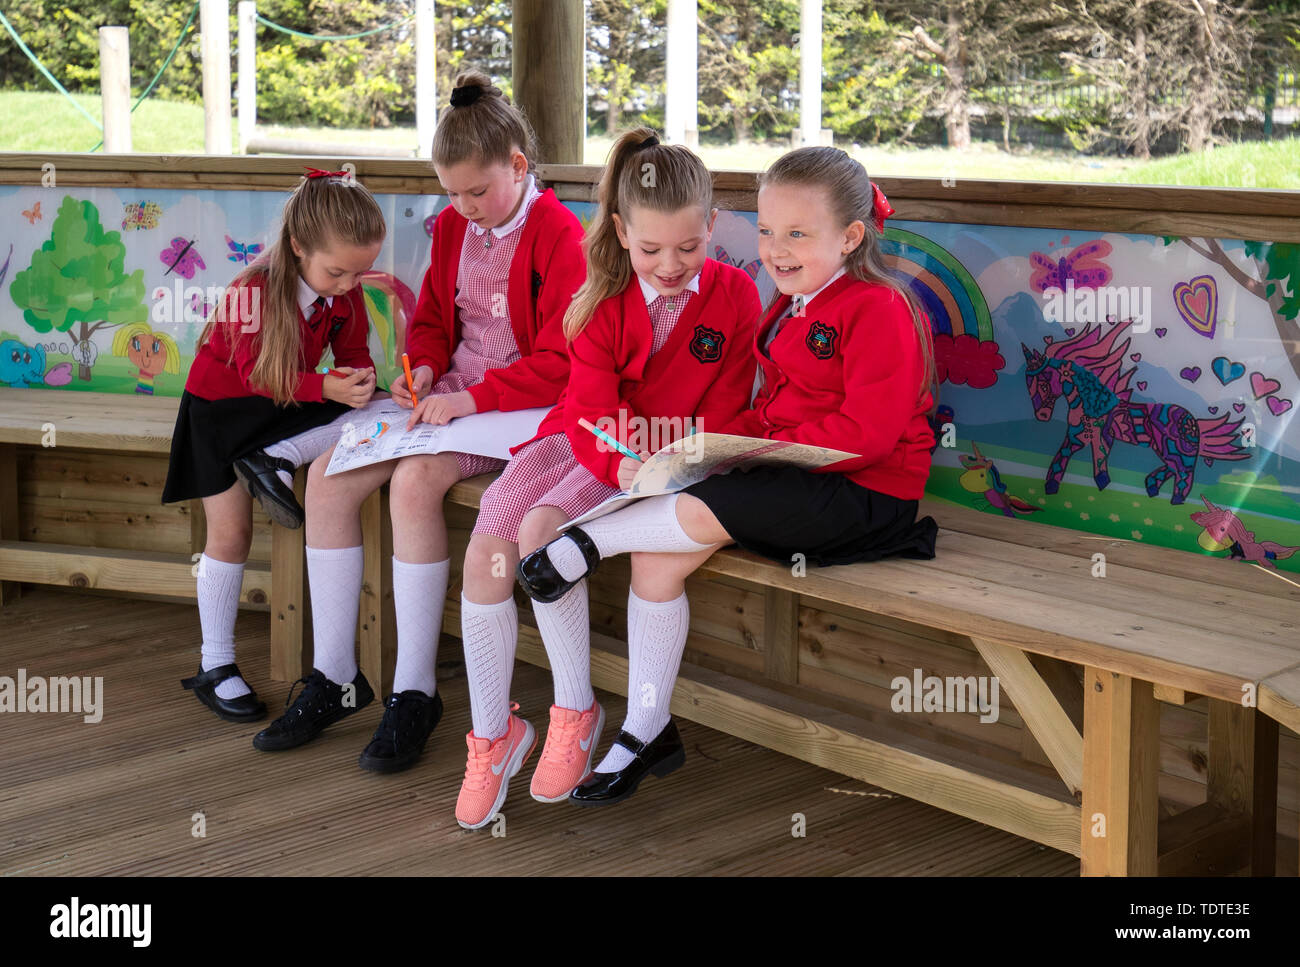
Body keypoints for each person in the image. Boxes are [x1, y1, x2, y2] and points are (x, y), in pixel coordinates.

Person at [517, 146, 939, 806]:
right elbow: (771, 409)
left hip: (869, 492)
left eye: (798, 234)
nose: (777, 248)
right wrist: (716, 442)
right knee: (659, 562)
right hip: (799, 477)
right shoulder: (790, 302)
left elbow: (868, 435)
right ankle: (645, 728)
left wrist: (755, 448)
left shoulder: (876, 307)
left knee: (724, 492)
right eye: (768, 231)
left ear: (850, 237)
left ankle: (585, 542)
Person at [261, 70, 586, 771]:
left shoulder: (560, 233)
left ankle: (414, 690)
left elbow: (564, 358)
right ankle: (336, 675)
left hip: (520, 411)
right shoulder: (451, 230)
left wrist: (470, 399)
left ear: (519, 167)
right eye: (451, 194)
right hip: (453, 399)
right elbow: (435, 320)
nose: (463, 207)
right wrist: (428, 370)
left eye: (477, 191)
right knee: (326, 477)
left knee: (413, 484)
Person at [454, 127, 760, 829]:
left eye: (689, 247)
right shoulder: (599, 299)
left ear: (712, 226)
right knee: (492, 548)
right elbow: (590, 413)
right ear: (622, 232)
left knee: (540, 534)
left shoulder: (737, 297)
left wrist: (673, 463)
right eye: (651, 249)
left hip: (671, 458)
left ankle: (574, 711)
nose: (672, 264)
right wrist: (624, 463)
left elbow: (725, 408)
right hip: (590, 442)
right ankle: (493, 736)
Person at [163, 169, 384, 723]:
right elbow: (255, 373)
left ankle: (274, 461)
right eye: (336, 271)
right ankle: (216, 663)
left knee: (382, 406)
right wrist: (326, 387)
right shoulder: (252, 290)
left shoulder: (345, 293)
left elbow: (354, 353)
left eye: (359, 272)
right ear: (298, 247)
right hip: (224, 412)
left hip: (287, 406)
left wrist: (364, 381)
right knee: (231, 534)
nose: (348, 284)